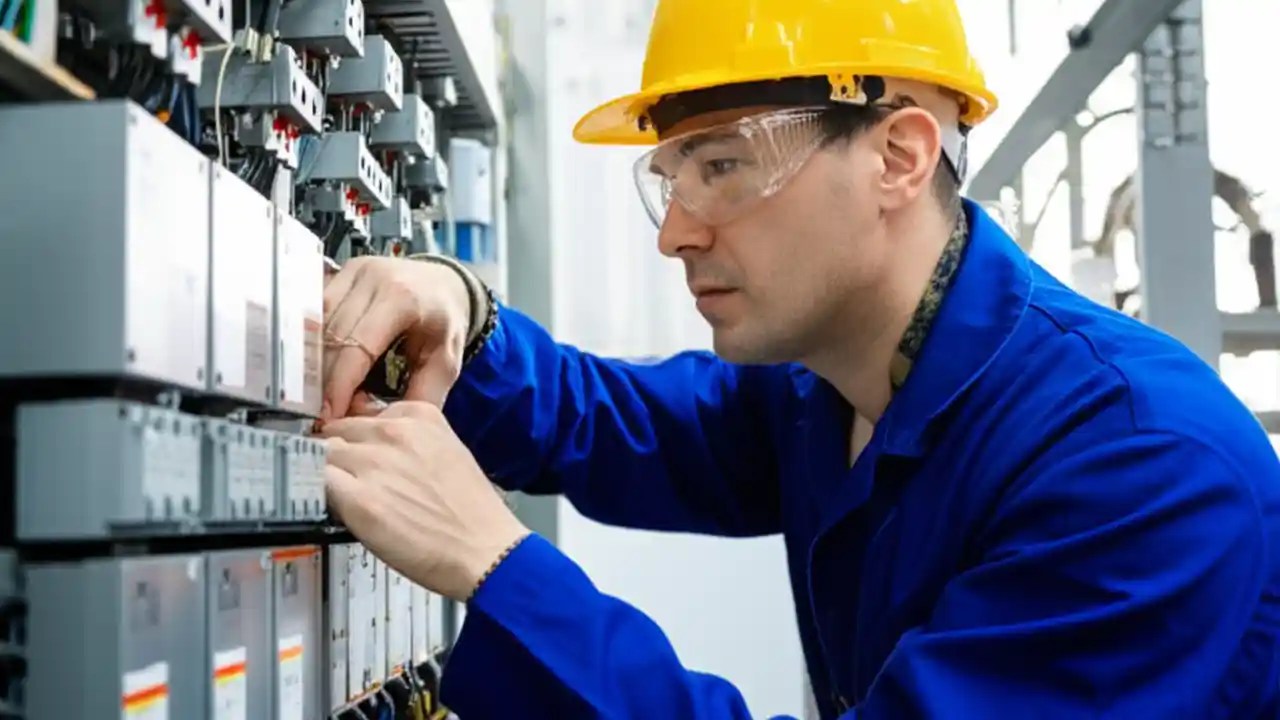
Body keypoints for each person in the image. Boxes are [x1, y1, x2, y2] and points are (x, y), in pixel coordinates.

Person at [316, 0, 1280, 717]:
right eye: (671, 178)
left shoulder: (1138, 465)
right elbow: (607, 421)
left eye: (723, 166)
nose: (676, 234)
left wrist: (500, 569)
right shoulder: (826, 388)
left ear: (899, 157)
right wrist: (456, 311)